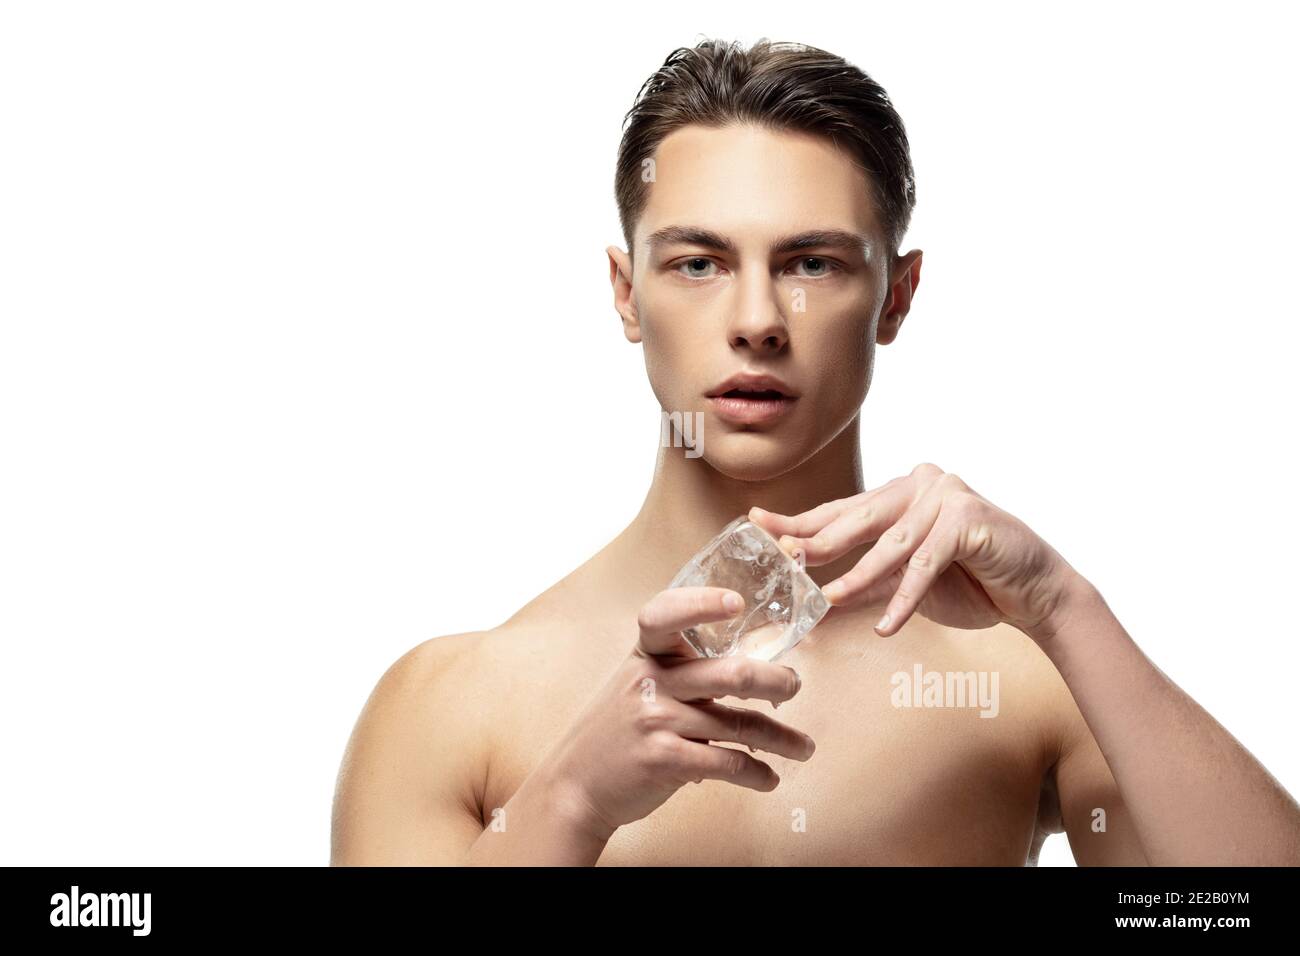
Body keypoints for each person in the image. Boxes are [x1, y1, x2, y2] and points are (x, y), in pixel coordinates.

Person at [329, 38, 1300, 866]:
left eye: (811, 262)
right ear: (626, 291)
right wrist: (569, 801)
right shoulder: (453, 703)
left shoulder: (1024, 678)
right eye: (698, 262)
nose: (756, 320)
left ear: (896, 294)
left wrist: (1063, 604)